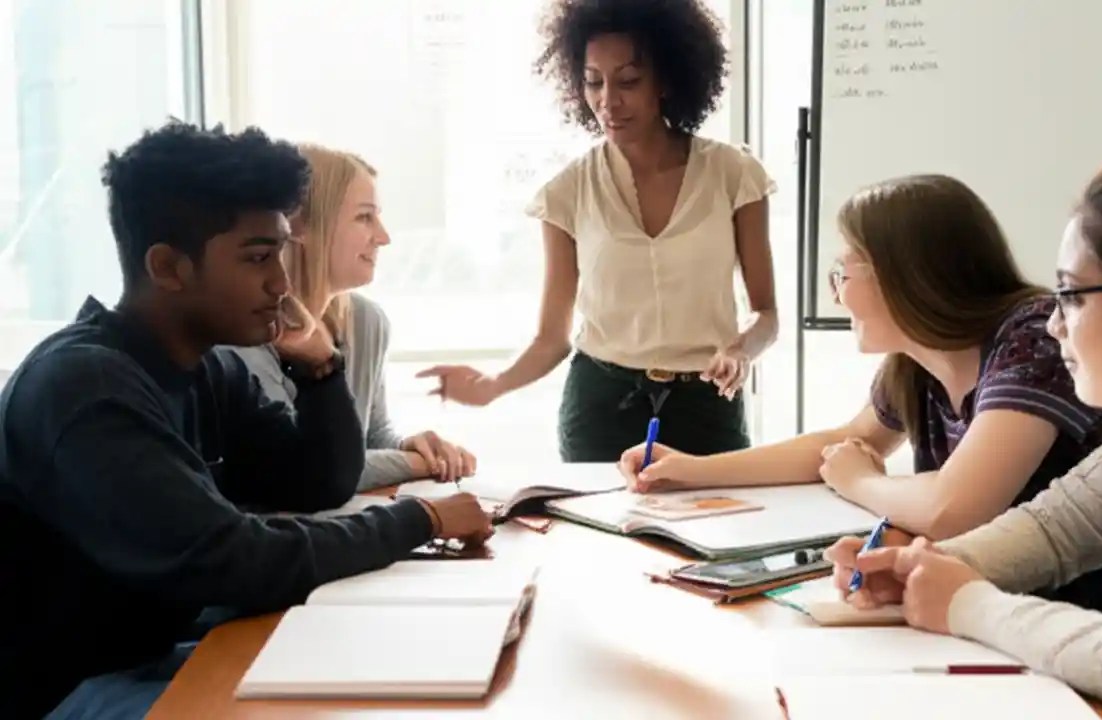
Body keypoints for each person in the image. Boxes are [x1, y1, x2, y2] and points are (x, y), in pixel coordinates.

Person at [0, 122, 492, 719]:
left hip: (153, 654)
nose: (282, 282)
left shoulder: (204, 368)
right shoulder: (87, 388)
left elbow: (316, 485)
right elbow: (232, 560)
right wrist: (422, 518)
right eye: (258, 257)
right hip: (68, 691)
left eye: (281, 251)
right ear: (169, 267)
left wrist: (320, 369)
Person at [827, 86, 1102, 720]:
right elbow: (1061, 526)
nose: (1052, 324)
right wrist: (921, 566)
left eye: (1072, 296)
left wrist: (969, 604)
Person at [620, 173, 1102, 609]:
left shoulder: (1034, 339)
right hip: (986, 597)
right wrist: (691, 470)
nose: (835, 294)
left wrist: (861, 481)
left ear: (906, 275)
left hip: (1074, 612)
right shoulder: (916, 363)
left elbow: (952, 508)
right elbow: (843, 445)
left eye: (842, 273)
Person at [418, 0, 779, 462]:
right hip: (602, 408)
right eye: (593, 81)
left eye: (628, 81)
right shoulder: (566, 192)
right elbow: (552, 338)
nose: (608, 100)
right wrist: (493, 385)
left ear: (666, 81)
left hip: (708, 405)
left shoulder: (734, 174)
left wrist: (740, 351)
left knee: (719, 511)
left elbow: (766, 314)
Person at [235, 144, 476, 491]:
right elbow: (303, 466)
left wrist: (411, 445)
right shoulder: (246, 332)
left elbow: (370, 437)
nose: (384, 237)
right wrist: (416, 464)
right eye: (365, 217)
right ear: (297, 226)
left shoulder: (368, 322)